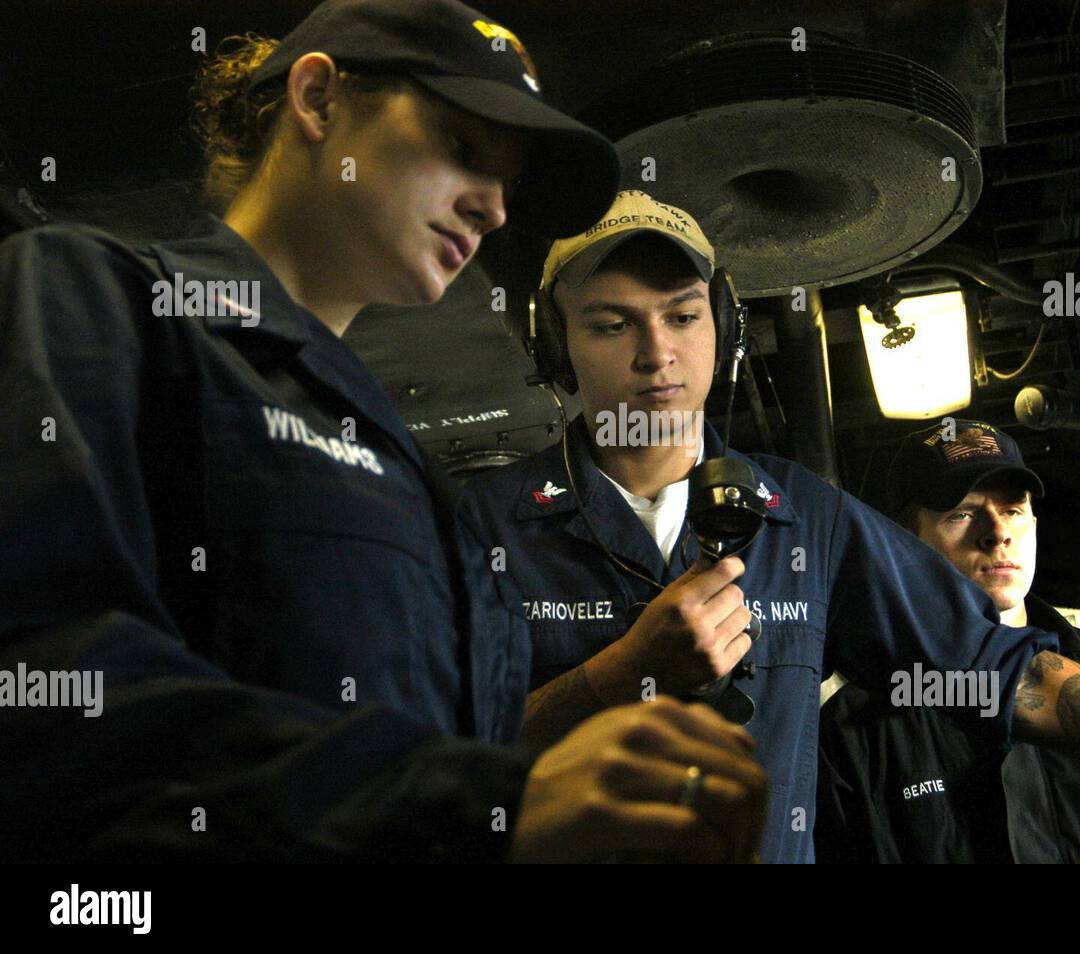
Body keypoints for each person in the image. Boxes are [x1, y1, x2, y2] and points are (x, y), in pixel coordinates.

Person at [0, 0, 767, 864]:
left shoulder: (400, 469)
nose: (494, 209)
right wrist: (487, 804)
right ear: (320, 98)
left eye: (506, 181)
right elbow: (46, 676)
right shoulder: (97, 302)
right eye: (464, 149)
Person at [461, 189, 1080, 863]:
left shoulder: (803, 515)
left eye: (683, 316)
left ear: (724, 326)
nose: (657, 354)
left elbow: (1002, 672)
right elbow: (417, 766)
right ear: (555, 345)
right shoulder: (480, 526)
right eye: (612, 324)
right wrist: (617, 676)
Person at [816, 421, 1080, 863]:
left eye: (1013, 510)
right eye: (961, 513)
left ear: (1032, 522)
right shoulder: (853, 734)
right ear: (904, 542)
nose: (997, 533)